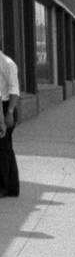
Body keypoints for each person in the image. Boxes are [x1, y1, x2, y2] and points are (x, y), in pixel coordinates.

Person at [0, 46, 21, 198]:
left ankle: (5, 187)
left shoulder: (8, 63)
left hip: (6, 107)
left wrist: (9, 113)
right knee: (5, 147)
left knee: (3, 148)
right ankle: (11, 187)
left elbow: (14, 91)